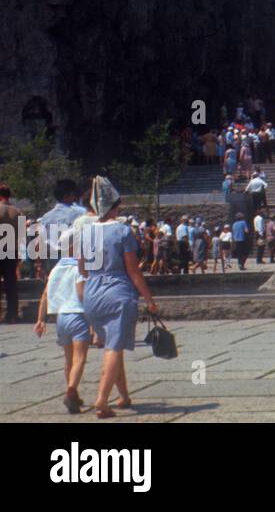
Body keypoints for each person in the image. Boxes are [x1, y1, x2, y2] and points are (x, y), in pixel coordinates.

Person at [78, 177, 159, 419]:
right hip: (117, 292)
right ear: (114, 206)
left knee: (115, 345)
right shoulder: (123, 231)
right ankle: (102, 400)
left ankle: (123, 396)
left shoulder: (85, 233)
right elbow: (134, 271)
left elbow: (82, 269)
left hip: (92, 294)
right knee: (114, 347)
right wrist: (150, 300)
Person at [33, 231, 90, 414]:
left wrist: (40, 319)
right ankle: (71, 391)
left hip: (61, 319)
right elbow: (82, 292)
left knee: (68, 359)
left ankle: (73, 393)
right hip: (78, 315)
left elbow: (45, 295)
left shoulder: (56, 269)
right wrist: (92, 314)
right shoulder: (79, 268)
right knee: (80, 357)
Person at [0, 185, 22, 323]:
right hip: (11, 250)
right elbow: (21, 235)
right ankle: (12, 314)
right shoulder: (18, 211)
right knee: (11, 284)